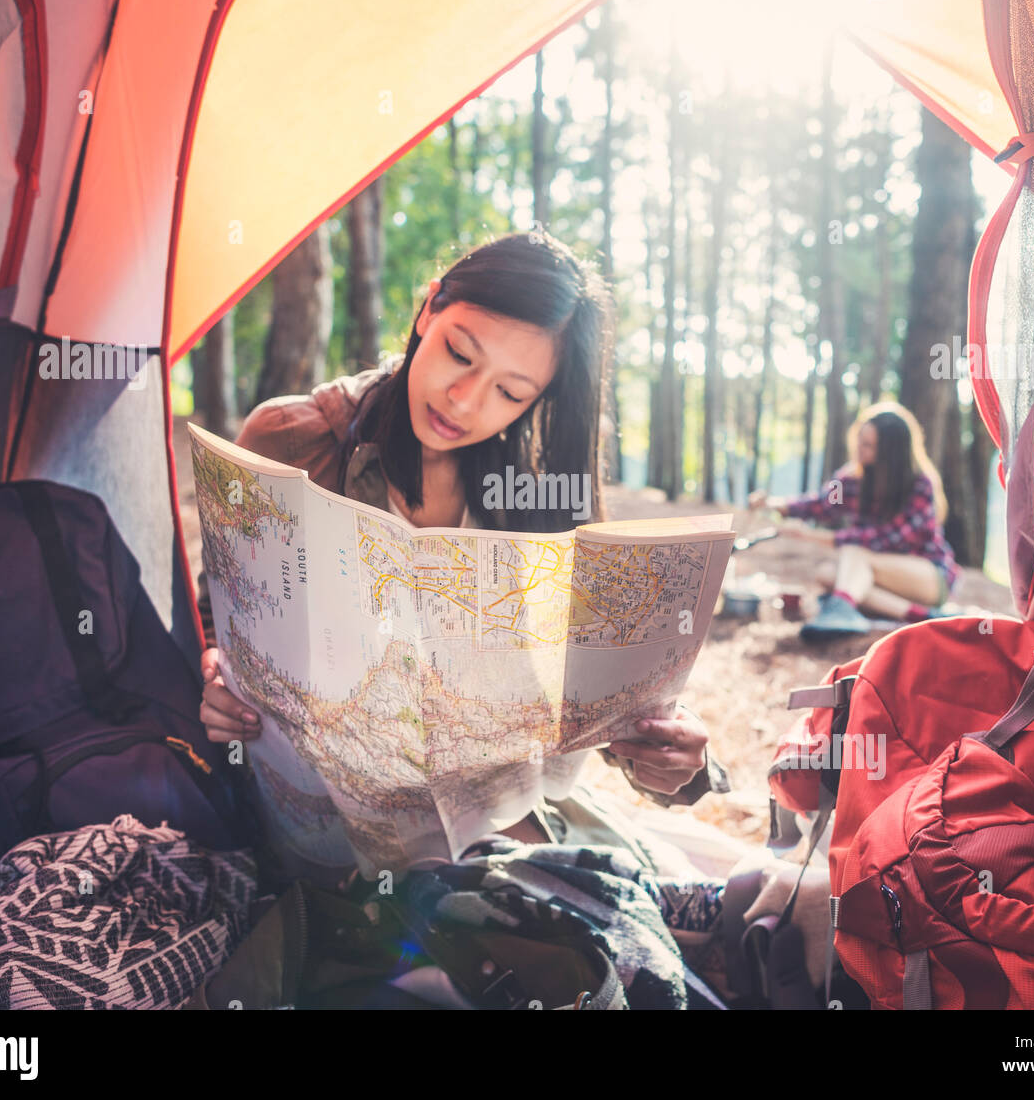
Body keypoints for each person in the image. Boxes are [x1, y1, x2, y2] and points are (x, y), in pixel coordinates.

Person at [197, 230, 731, 883]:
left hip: (493, 818)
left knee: (701, 898)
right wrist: (216, 677)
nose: (466, 400)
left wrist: (671, 753)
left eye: (511, 393)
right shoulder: (294, 439)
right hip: (333, 838)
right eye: (459, 353)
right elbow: (220, 613)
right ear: (429, 309)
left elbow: (584, 700)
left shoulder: (533, 496)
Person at [747, 402, 959, 637]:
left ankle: (840, 608)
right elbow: (821, 504)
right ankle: (918, 615)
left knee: (853, 554)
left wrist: (812, 536)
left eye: (868, 445)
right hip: (873, 573)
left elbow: (886, 539)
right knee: (826, 574)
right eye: (859, 439)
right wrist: (773, 504)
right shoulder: (852, 478)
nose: (859, 449)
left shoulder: (920, 485)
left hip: (927, 576)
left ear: (890, 453)